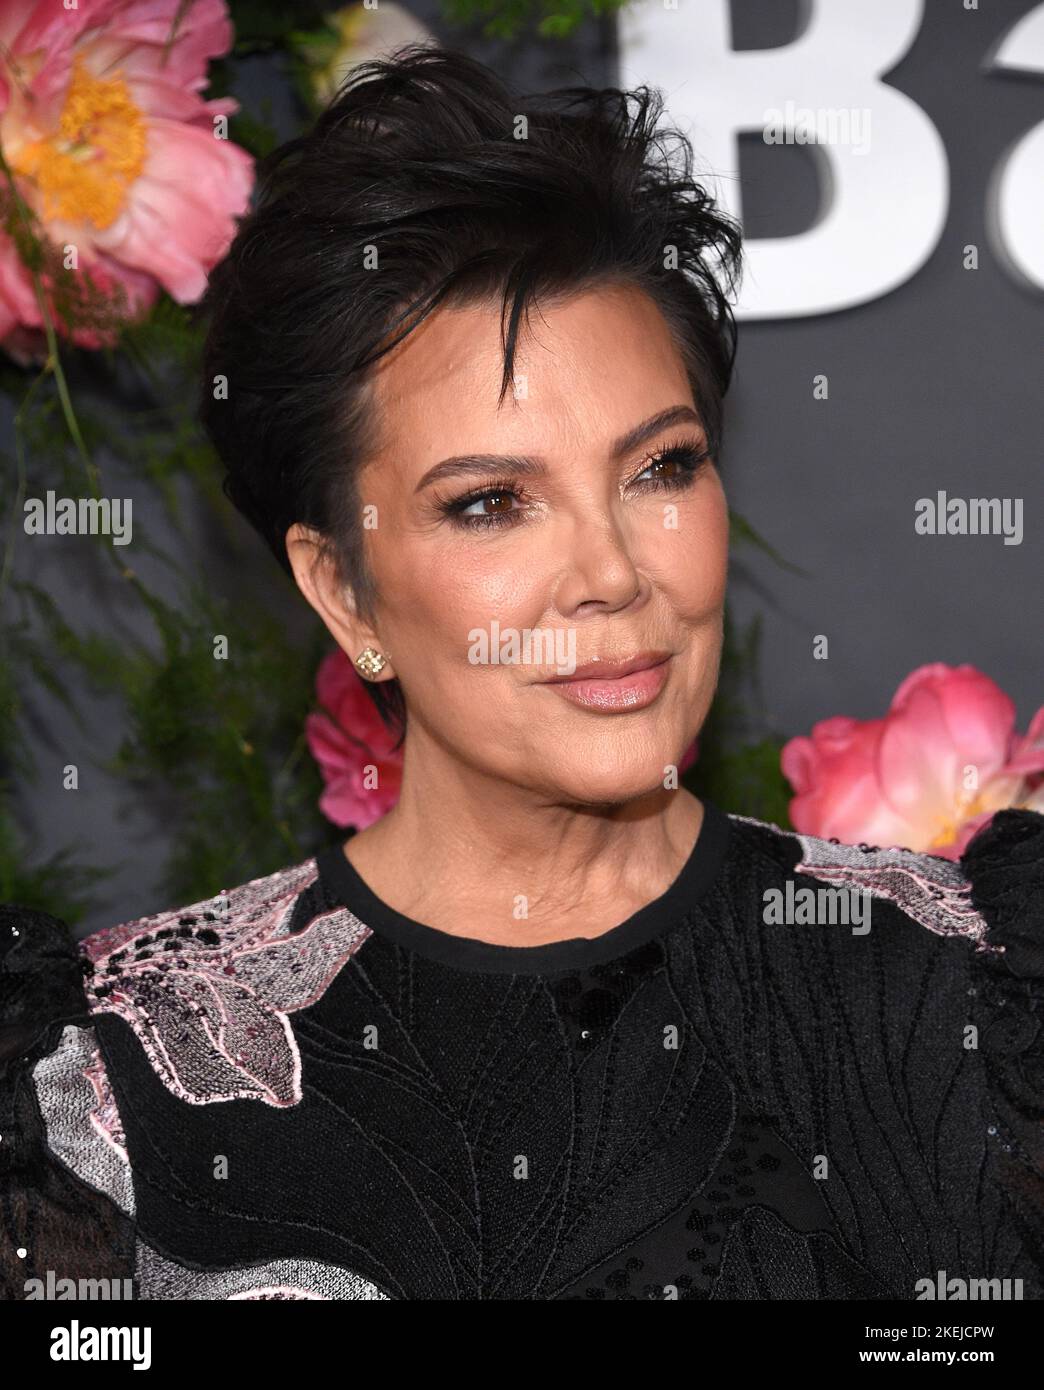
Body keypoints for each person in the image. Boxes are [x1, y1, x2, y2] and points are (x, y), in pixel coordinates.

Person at [2, 44, 1041, 1302]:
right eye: (491, 503)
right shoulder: (109, 1085)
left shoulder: (977, 996)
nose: (609, 571)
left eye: (660, 469)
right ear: (344, 590)